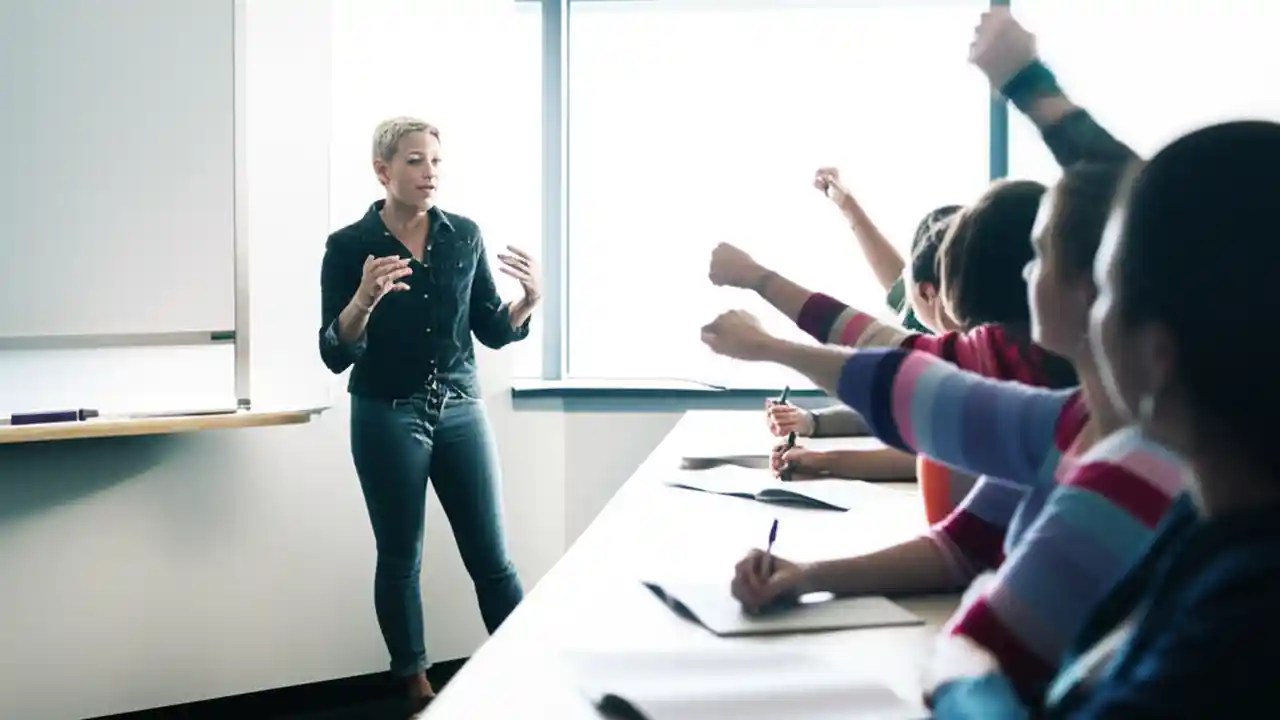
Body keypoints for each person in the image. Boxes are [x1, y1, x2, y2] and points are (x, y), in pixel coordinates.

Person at [703, 9, 1174, 701]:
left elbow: (897, 366)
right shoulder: (1070, 422)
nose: (1026, 270)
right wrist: (809, 576)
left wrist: (767, 324)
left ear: (1100, 285)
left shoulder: (1130, 475)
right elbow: (962, 546)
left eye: (1041, 253)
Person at [925, 120, 1280, 718]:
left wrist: (969, 683)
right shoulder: (1207, 514)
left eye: (1108, 289)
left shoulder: (1246, 610)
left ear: (1159, 354)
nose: (1094, 314)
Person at [318, 117, 540, 710]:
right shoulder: (348, 247)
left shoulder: (463, 236)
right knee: (400, 556)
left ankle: (526, 668)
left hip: (461, 407)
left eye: (435, 161)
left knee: (492, 557)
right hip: (386, 413)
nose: (429, 172)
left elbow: (492, 329)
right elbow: (335, 352)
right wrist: (363, 298)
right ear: (383, 170)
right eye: (415, 161)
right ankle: (413, 681)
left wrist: (530, 301)